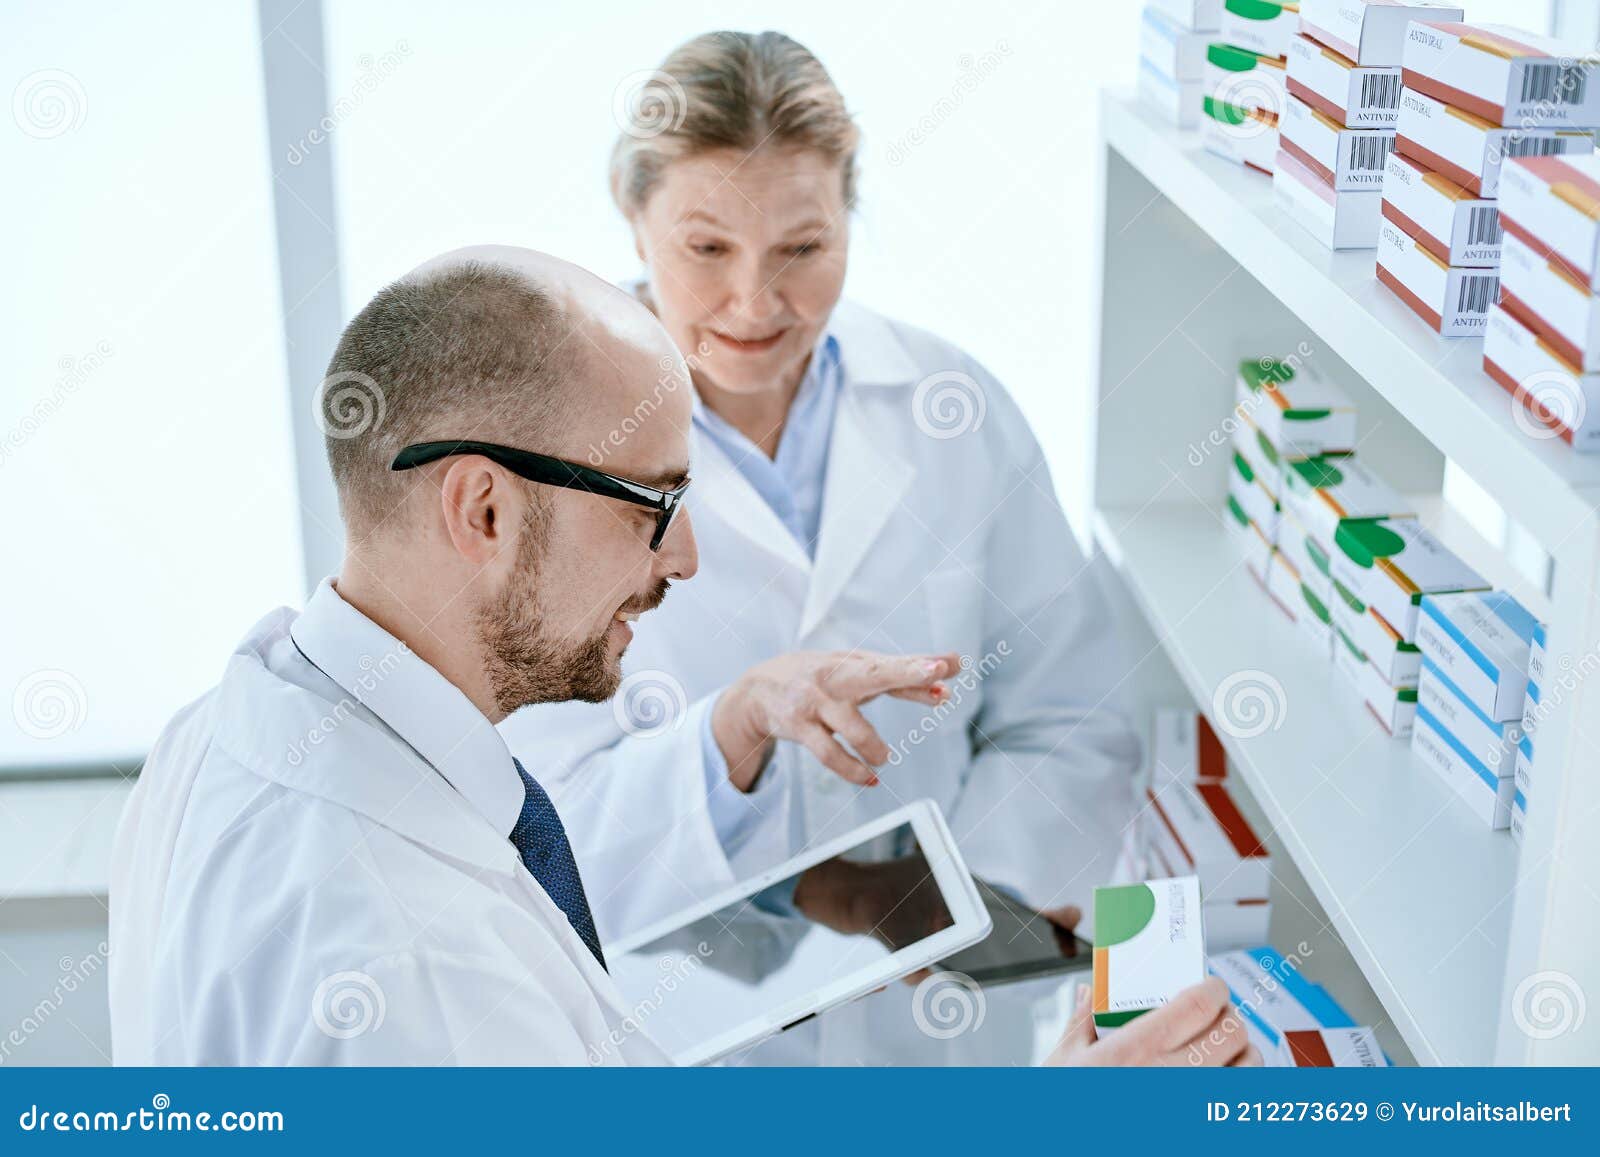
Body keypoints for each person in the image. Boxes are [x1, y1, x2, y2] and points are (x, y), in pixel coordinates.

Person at [106, 243, 1254, 1068]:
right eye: (651, 502)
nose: (689, 554)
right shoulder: (422, 975)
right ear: (484, 511)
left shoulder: (220, 732)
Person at [502, 31, 1145, 1064]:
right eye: (706, 249)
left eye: (802, 248)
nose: (756, 303)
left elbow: (1071, 712)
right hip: (686, 1019)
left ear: (850, 216)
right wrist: (732, 732)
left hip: (937, 1023)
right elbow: (533, 813)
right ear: (634, 219)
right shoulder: (547, 453)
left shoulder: (953, 409)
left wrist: (956, 900)